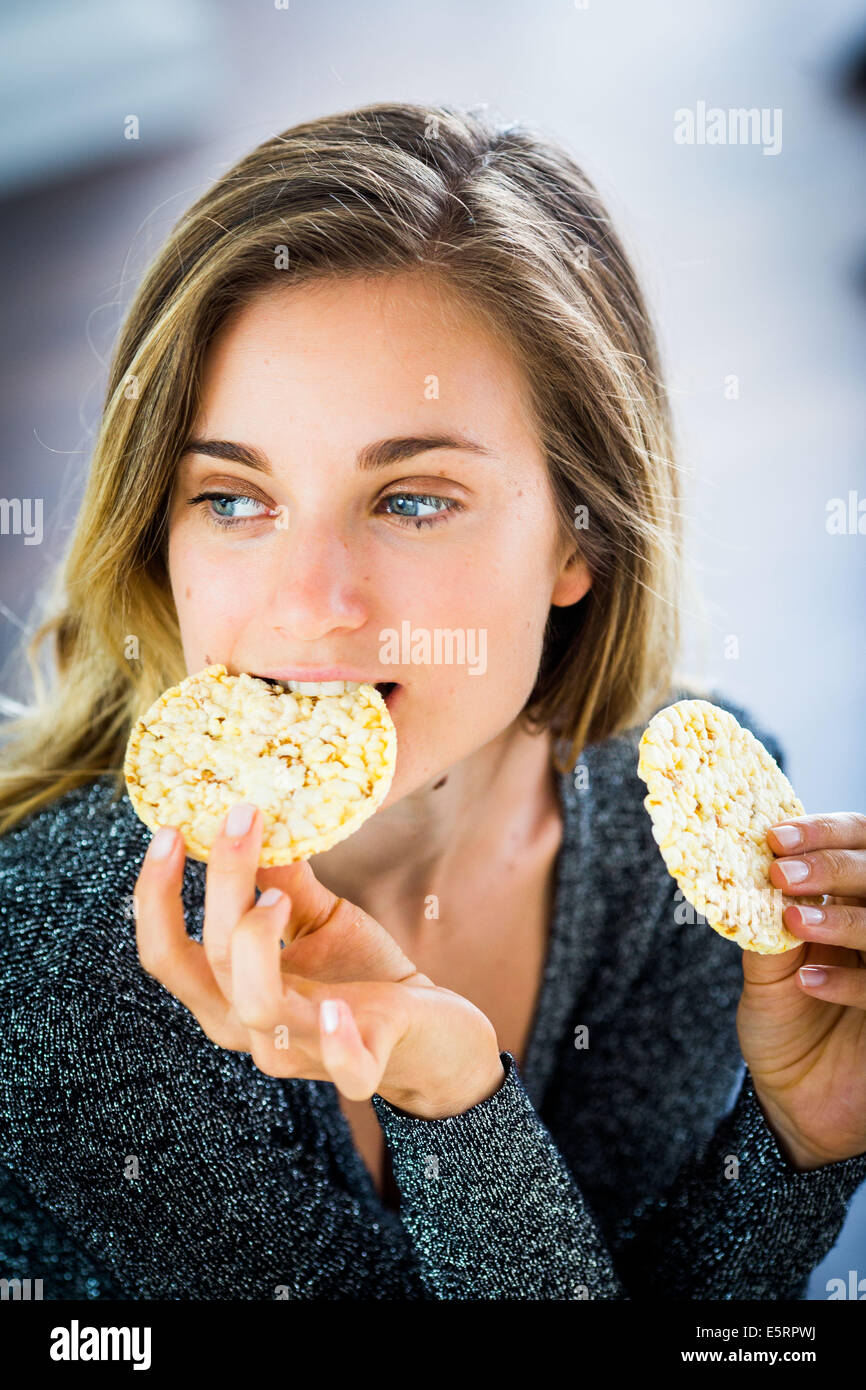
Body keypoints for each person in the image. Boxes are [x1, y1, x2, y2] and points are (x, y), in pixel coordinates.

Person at [1, 102, 864, 1301]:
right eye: (233, 498)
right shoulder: (64, 970)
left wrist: (798, 1145)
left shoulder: (676, 856)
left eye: (411, 499)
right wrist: (452, 1099)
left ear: (580, 538)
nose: (309, 604)